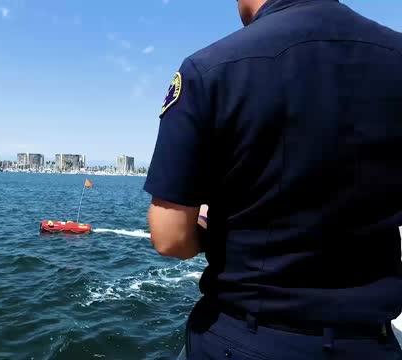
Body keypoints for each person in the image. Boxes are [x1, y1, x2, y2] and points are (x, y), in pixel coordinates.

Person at [144, 0, 402, 358]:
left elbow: (170, 238)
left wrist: (209, 232)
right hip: (371, 342)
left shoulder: (210, 69)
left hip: (248, 338)